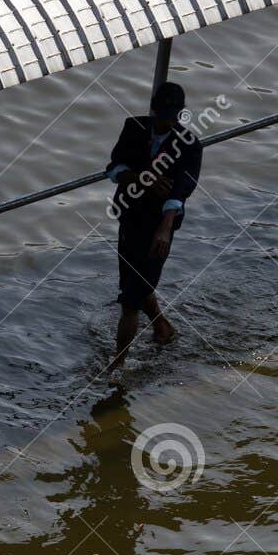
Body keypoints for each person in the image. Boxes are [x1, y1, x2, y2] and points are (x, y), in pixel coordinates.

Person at [104, 81, 202, 369]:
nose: (165, 121)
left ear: (180, 115)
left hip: (159, 225)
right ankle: (163, 328)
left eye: (172, 116)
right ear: (153, 110)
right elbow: (113, 167)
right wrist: (140, 178)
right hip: (130, 216)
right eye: (161, 114)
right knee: (136, 282)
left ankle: (116, 366)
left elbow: (182, 189)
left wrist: (165, 228)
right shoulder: (133, 127)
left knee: (130, 300)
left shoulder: (190, 145)